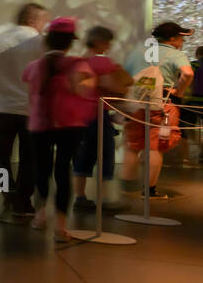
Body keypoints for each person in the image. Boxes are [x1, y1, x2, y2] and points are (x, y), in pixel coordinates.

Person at [0, 2, 49, 223]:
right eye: (43, 20)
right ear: (34, 21)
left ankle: (8, 198)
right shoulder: (42, 44)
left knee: (0, 160)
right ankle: (24, 202)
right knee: (30, 159)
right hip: (31, 111)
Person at [22, 17, 97, 242]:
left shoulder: (33, 67)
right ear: (70, 42)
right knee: (63, 171)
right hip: (70, 126)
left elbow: (30, 96)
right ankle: (61, 226)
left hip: (39, 125)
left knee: (42, 169)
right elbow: (85, 93)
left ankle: (40, 214)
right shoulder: (79, 65)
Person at [122, 21, 192, 196]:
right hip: (162, 104)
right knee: (155, 147)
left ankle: (127, 188)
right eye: (181, 38)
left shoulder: (139, 52)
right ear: (172, 38)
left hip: (136, 104)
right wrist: (179, 91)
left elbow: (124, 75)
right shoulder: (175, 54)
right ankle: (149, 191)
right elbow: (188, 73)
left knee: (133, 145)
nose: (182, 43)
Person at [72, 26, 132, 211]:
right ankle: (106, 199)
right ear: (100, 42)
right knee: (106, 154)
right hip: (98, 113)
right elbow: (111, 85)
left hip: (80, 114)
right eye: (107, 42)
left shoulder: (80, 61)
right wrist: (122, 88)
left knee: (83, 156)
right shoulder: (102, 62)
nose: (109, 45)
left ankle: (80, 198)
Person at [183, 45, 203, 166]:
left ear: (197, 54)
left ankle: (186, 159)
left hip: (191, 102)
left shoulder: (193, 65)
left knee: (186, 129)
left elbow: (186, 80)